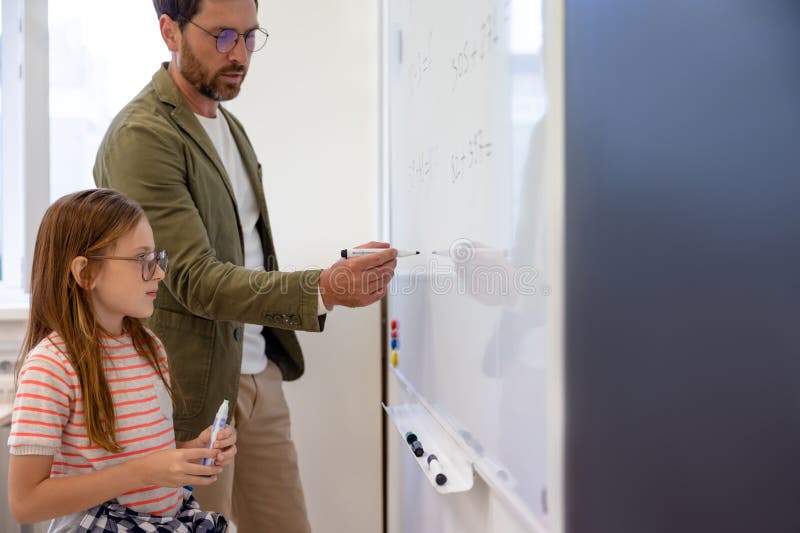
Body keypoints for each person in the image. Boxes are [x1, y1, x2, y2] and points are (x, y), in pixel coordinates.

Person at [93, 0, 397, 531]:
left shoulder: (228, 127)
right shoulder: (143, 137)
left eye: (251, 37)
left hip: (256, 375)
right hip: (185, 394)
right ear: (170, 31)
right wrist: (321, 289)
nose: (240, 55)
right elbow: (189, 277)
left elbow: (246, 255)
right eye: (223, 36)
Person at [6, 188, 237, 532]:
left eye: (158, 258)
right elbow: (25, 504)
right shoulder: (50, 366)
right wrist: (145, 471)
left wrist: (187, 451)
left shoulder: (149, 347)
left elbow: (133, 452)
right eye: (142, 259)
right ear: (85, 273)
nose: (159, 273)